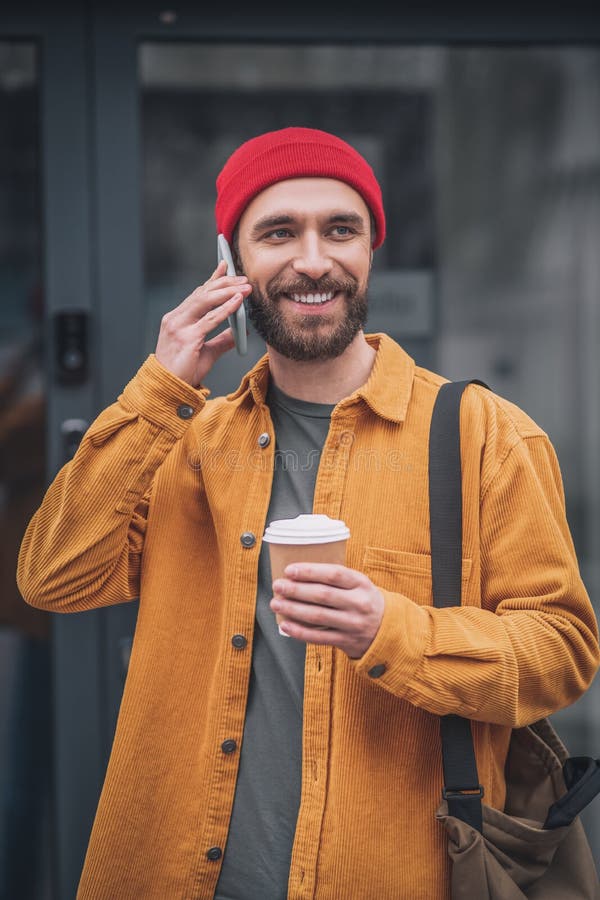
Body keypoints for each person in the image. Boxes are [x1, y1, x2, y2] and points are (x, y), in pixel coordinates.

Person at [17, 127, 600, 900]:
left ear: (370, 251)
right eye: (279, 233)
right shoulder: (185, 439)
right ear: (231, 263)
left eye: (341, 230)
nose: (315, 260)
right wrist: (158, 388)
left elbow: (562, 652)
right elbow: (55, 578)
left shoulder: (484, 435)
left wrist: (392, 630)